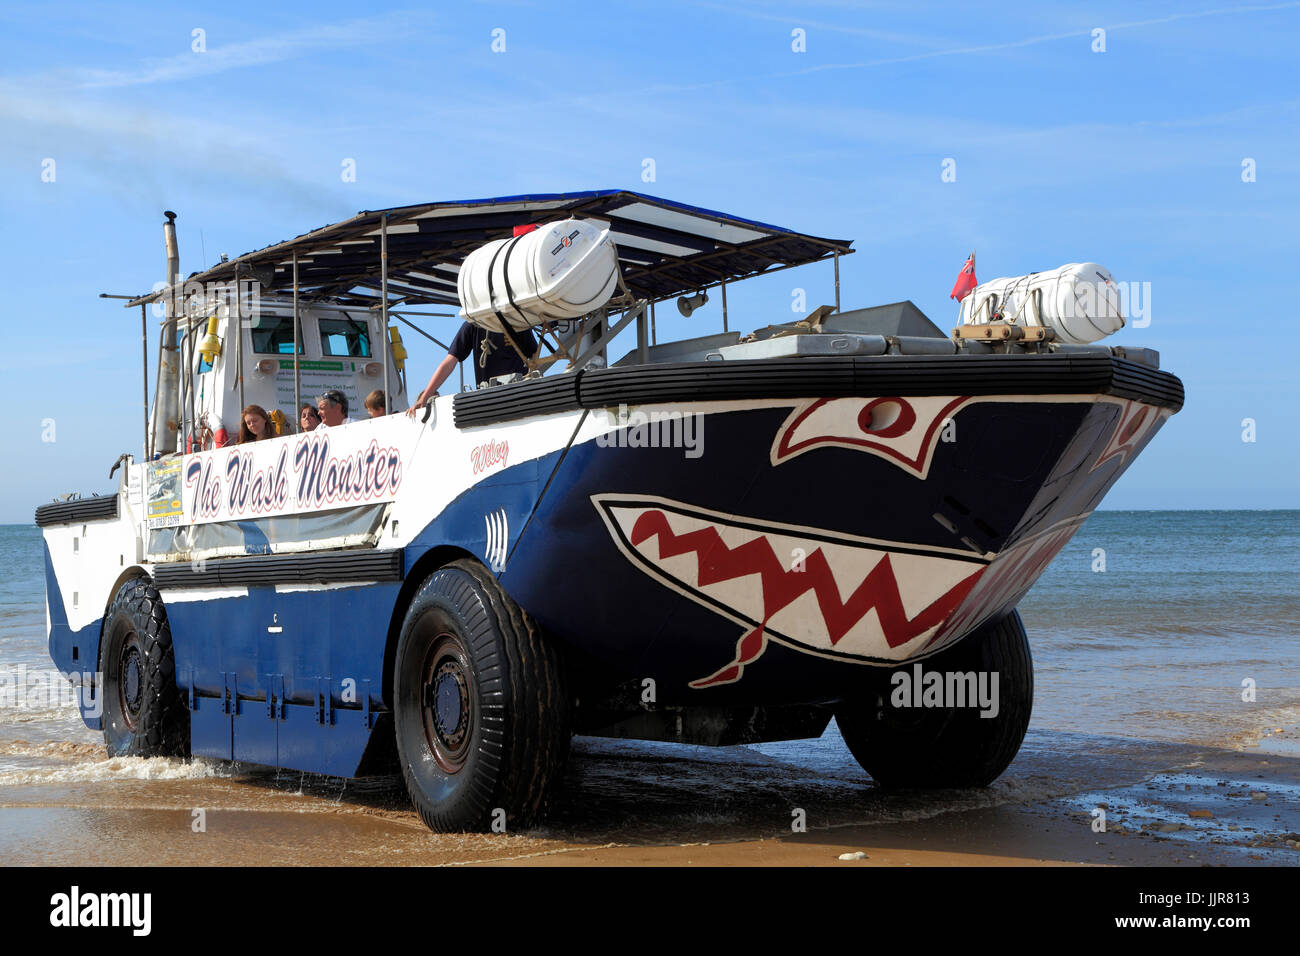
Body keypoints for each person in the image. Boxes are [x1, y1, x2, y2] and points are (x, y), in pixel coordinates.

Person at [407, 321, 536, 417]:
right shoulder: (473, 325)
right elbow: (449, 362)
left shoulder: (516, 321)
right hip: (490, 402)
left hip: (517, 399)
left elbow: (534, 356)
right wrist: (424, 398)